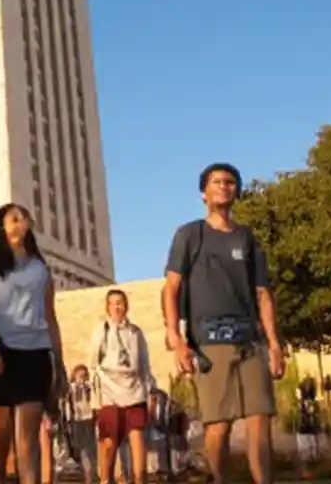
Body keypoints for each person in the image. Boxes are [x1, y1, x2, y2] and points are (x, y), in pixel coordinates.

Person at [162, 163, 285, 484]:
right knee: (219, 424)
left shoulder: (247, 238)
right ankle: (217, 478)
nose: (223, 187)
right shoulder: (190, 234)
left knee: (260, 419)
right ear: (204, 193)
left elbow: (263, 294)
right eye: (216, 182)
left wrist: (274, 344)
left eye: (230, 182)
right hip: (209, 343)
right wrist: (176, 338)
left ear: (237, 191)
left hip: (250, 342)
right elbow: (171, 288)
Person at [0, 203, 65, 484]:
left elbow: (50, 316)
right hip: (2, 350)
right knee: (0, 431)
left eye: (23, 218)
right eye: (13, 219)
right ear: (2, 226)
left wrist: (59, 362)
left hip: (35, 353)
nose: (19, 223)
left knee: (27, 438)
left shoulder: (41, 269)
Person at [88, 289, 155, 484]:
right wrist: (96, 400)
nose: (117, 307)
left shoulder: (135, 332)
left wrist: (149, 391)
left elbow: (144, 365)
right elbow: (93, 364)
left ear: (126, 305)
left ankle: (140, 480)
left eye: (121, 302)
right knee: (108, 447)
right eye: (113, 303)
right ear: (107, 307)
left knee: (138, 443)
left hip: (134, 393)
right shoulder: (101, 331)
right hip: (109, 395)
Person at [64, 365, 99, 484]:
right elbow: (68, 404)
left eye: (84, 376)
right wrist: (69, 420)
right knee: (80, 449)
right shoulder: (71, 389)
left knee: (89, 449)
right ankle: (86, 472)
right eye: (79, 376)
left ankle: (90, 475)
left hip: (88, 420)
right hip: (77, 420)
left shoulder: (89, 387)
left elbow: (94, 400)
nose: (82, 379)